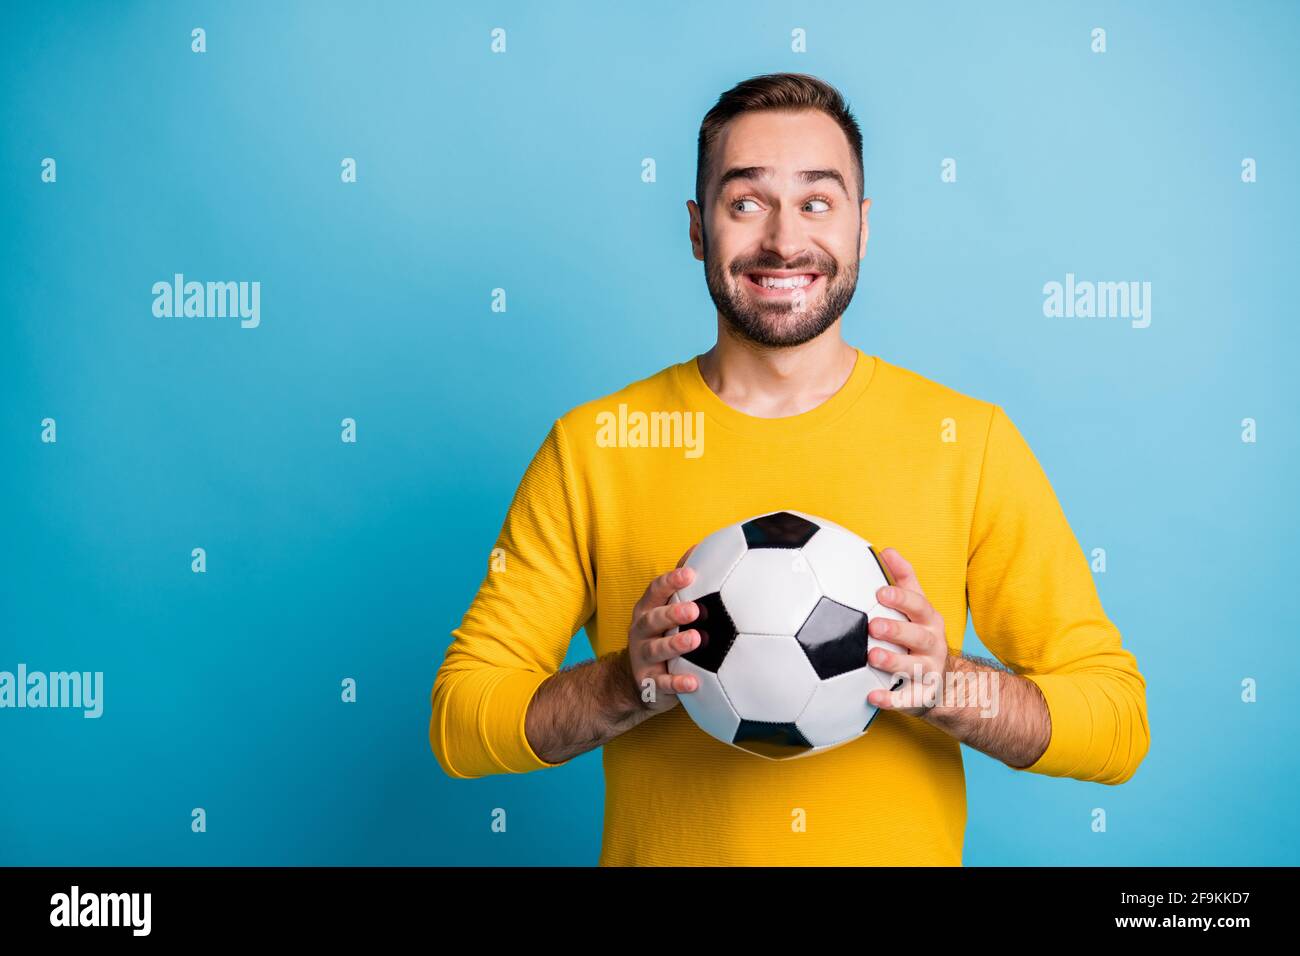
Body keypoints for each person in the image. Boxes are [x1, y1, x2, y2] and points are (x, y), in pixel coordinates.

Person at [429, 72, 1149, 866]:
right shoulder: (597, 445)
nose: (782, 241)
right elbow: (462, 721)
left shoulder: (966, 441)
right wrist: (625, 681)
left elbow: (1115, 726)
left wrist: (949, 685)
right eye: (746, 203)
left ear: (861, 227)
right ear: (699, 228)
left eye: (817, 201)